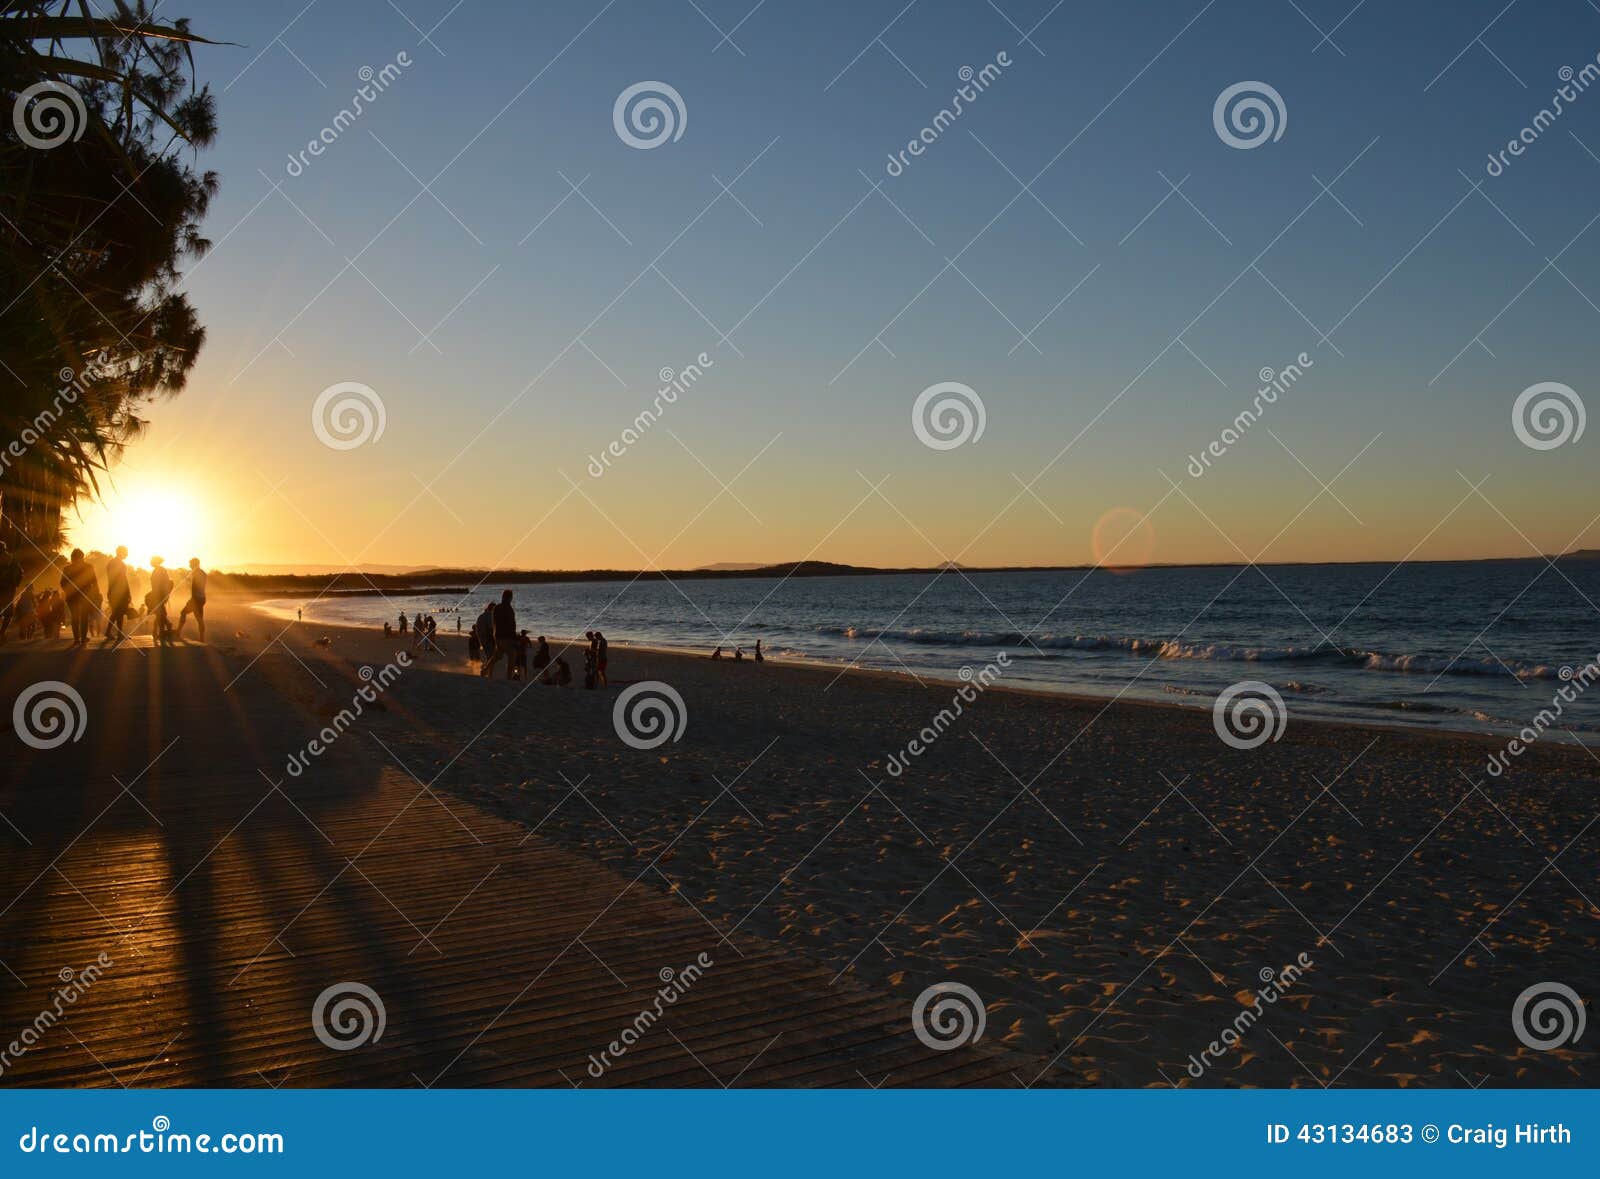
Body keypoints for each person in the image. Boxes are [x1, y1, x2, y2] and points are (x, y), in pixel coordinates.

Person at [60, 549, 99, 647]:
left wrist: (68, 590)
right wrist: (95, 594)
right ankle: (82, 638)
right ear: (82, 557)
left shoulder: (67, 569)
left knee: (75, 617)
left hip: (72, 596)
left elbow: (62, 583)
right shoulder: (88, 567)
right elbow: (94, 581)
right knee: (84, 617)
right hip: (85, 595)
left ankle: (77, 639)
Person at [483, 590, 518, 679]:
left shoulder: (497, 608)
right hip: (506, 637)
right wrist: (514, 638)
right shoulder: (508, 608)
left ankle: (485, 670)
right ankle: (509, 677)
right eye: (510, 597)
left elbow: (495, 622)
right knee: (512, 656)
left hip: (497, 636)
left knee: (498, 656)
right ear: (510, 598)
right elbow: (511, 624)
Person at [102, 545, 131, 645]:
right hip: (120, 592)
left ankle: (113, 632)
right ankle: (118, 634)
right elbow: (123, 579)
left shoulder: (111, 563)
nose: (127, 554)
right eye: (126, 552)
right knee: (119, 613)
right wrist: (128, 592)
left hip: (112, 591)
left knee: (116, 613)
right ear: (121, 552)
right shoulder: (120, 564)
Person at [176, 557, 207, 641]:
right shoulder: (202, 573)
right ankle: (202, 638)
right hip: (201, 598)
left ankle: (178, 632)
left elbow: (195, 585)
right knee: (199, 618)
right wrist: (186, 578)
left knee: (184, 613)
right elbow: (195, 583)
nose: (189, 565)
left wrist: (185, 577)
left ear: (194, 564)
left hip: (196, 599)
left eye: (190, 564)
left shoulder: (197, 573)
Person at [147, 556, 173, 646]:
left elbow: (158, 585)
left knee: (159, 613)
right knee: (160, 613)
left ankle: (163, 630)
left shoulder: (158, 570)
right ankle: (159, 630)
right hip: (160, 594)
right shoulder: (161, 570)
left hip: (159, 595)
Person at [0, 539, 22, 644]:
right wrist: (15, 584)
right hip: (9, 590)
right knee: (8, 613)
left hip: (6, 589)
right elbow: (20, 573)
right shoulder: (11, 559)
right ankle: (2, 632)